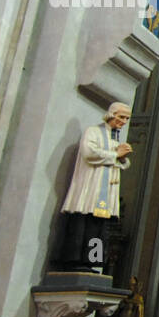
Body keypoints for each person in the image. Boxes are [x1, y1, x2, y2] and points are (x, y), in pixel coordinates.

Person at [55, 102, 132, 273]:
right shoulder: (94, 132)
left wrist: (122, 158)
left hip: (105, 193)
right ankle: (74, 261)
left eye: (126, 118)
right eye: (121, 117)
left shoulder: (114, 137)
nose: (123, 121)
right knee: (84, 224)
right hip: (91, 189)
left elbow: (119, 161)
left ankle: (92, 261)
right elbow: (89, 153)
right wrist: (116, 155)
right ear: (111, 114)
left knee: (99, 229)